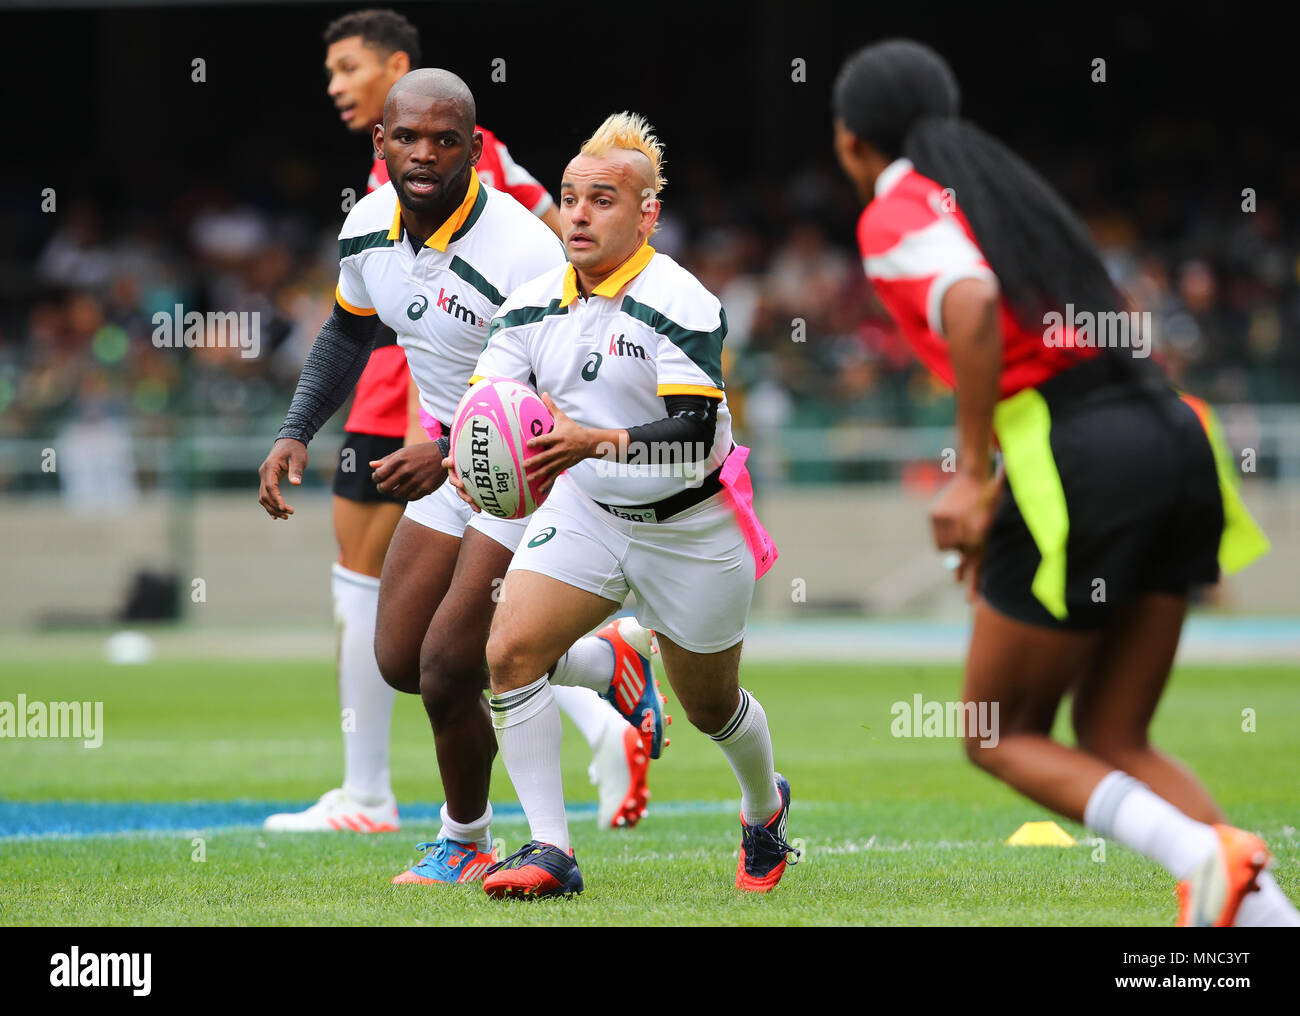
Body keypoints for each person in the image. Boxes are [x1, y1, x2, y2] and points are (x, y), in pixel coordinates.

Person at [832, 38, 1296, 927]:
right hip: (1172, 430)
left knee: (998, 734)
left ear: (853, 142)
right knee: (1117, 737)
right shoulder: (1010, 193)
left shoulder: (897, 207)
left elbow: (967, 305)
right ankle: (1268, 915)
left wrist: (971, 478)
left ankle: (1206, 858)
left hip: (1082, 453)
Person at [258, 72, 666, 885]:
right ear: (381, 144)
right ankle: (599, 659)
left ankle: (465, 837)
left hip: (535, 470)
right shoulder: (367, 225)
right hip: (459, 460)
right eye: (406, 137)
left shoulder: (522, 249)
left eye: (445, 140)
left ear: (474, 150)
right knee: (401, 659)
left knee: (449, 665)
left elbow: (564, 387)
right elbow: (346, 330)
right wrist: (296, 429)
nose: (424, 154)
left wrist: (444, 448)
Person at [449, 113, 795, 899]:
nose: (576, 212)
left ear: (647, 214)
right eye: (569, 196)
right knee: (505, 655)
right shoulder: (531, 303)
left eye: (601, 199)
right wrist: (468, 458)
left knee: (711, 708)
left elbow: (697, 433)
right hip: (591, 510)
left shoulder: (682, 299)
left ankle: (762, 805)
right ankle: (549, 850)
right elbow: (486, 403)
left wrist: (589, 440)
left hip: (692, 526)